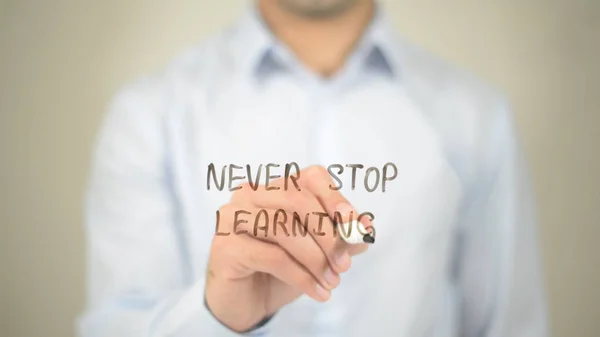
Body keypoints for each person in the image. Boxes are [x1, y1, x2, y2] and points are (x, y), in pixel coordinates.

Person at [78, 0, 548, 336]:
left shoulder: (478, 117)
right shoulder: (147, 116)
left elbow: (510, 326)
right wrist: (216, 317)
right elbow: (117, 325)